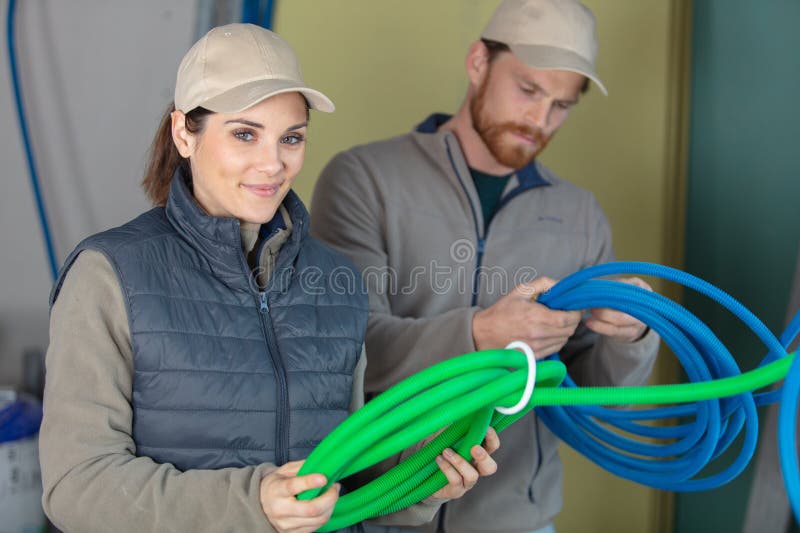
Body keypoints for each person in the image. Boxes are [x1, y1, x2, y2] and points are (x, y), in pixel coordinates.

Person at [39, 23, 500, 533]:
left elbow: (347, 471)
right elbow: (77, 487)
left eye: (292, 138)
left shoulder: (336, 281)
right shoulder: (110, 274)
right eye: (244, 134)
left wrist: (421, 478)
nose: (273, 163)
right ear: (182, 134)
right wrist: (251, 502)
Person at [310, 1, 660, 532]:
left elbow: (602, 403)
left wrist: (632, 335)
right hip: (380, 508)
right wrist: (478, 334)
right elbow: (344, 351)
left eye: (562, 105)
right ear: (478, 63)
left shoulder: (581, 216)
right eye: (528, 90)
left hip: (516, 519)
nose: (540, 121)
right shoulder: (364, 179)